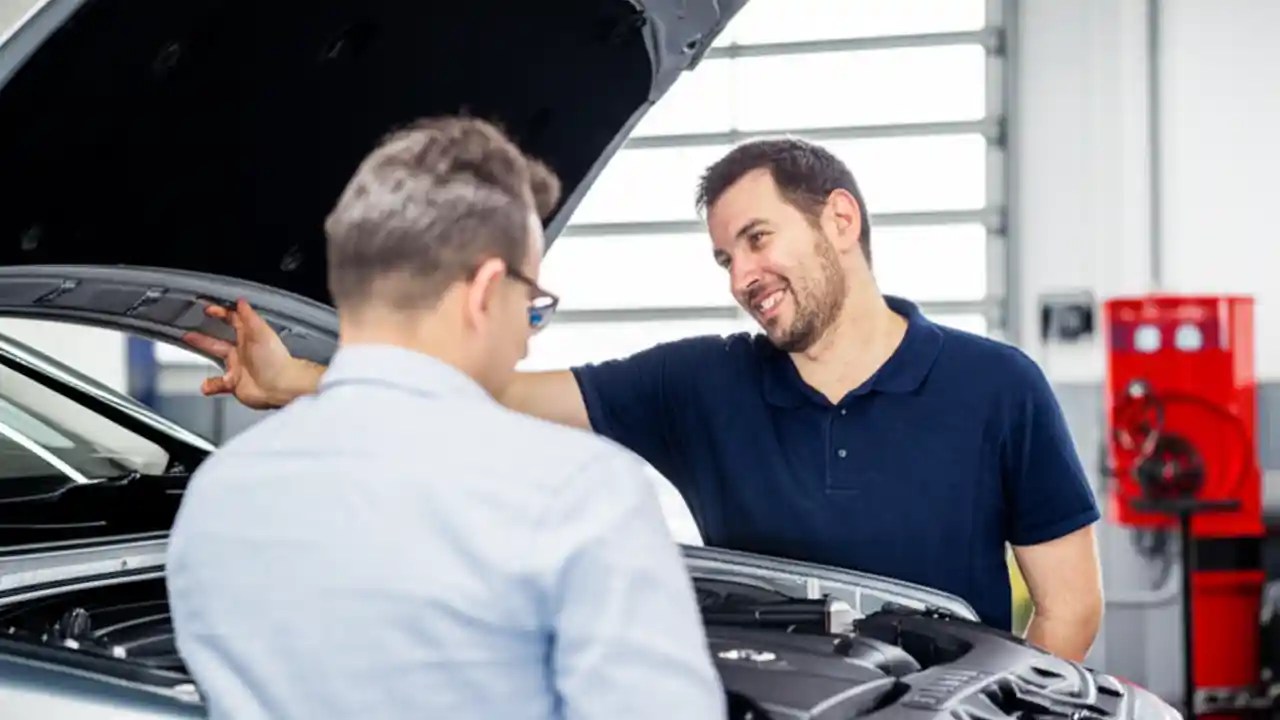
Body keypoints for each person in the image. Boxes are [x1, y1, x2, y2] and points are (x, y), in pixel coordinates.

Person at [184, 136, 1104, 663]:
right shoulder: (699, 383)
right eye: (723, 259)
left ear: (840, 221)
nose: (742, 276)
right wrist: (302, 380)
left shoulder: (998, 386)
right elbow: (487, 388)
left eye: (756, 239)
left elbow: (1071, 609)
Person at [165, 117, 726, 720]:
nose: (526, 345)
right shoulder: (577, 496)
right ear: (486, 291)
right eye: (532, 307)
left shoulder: (219, 496)